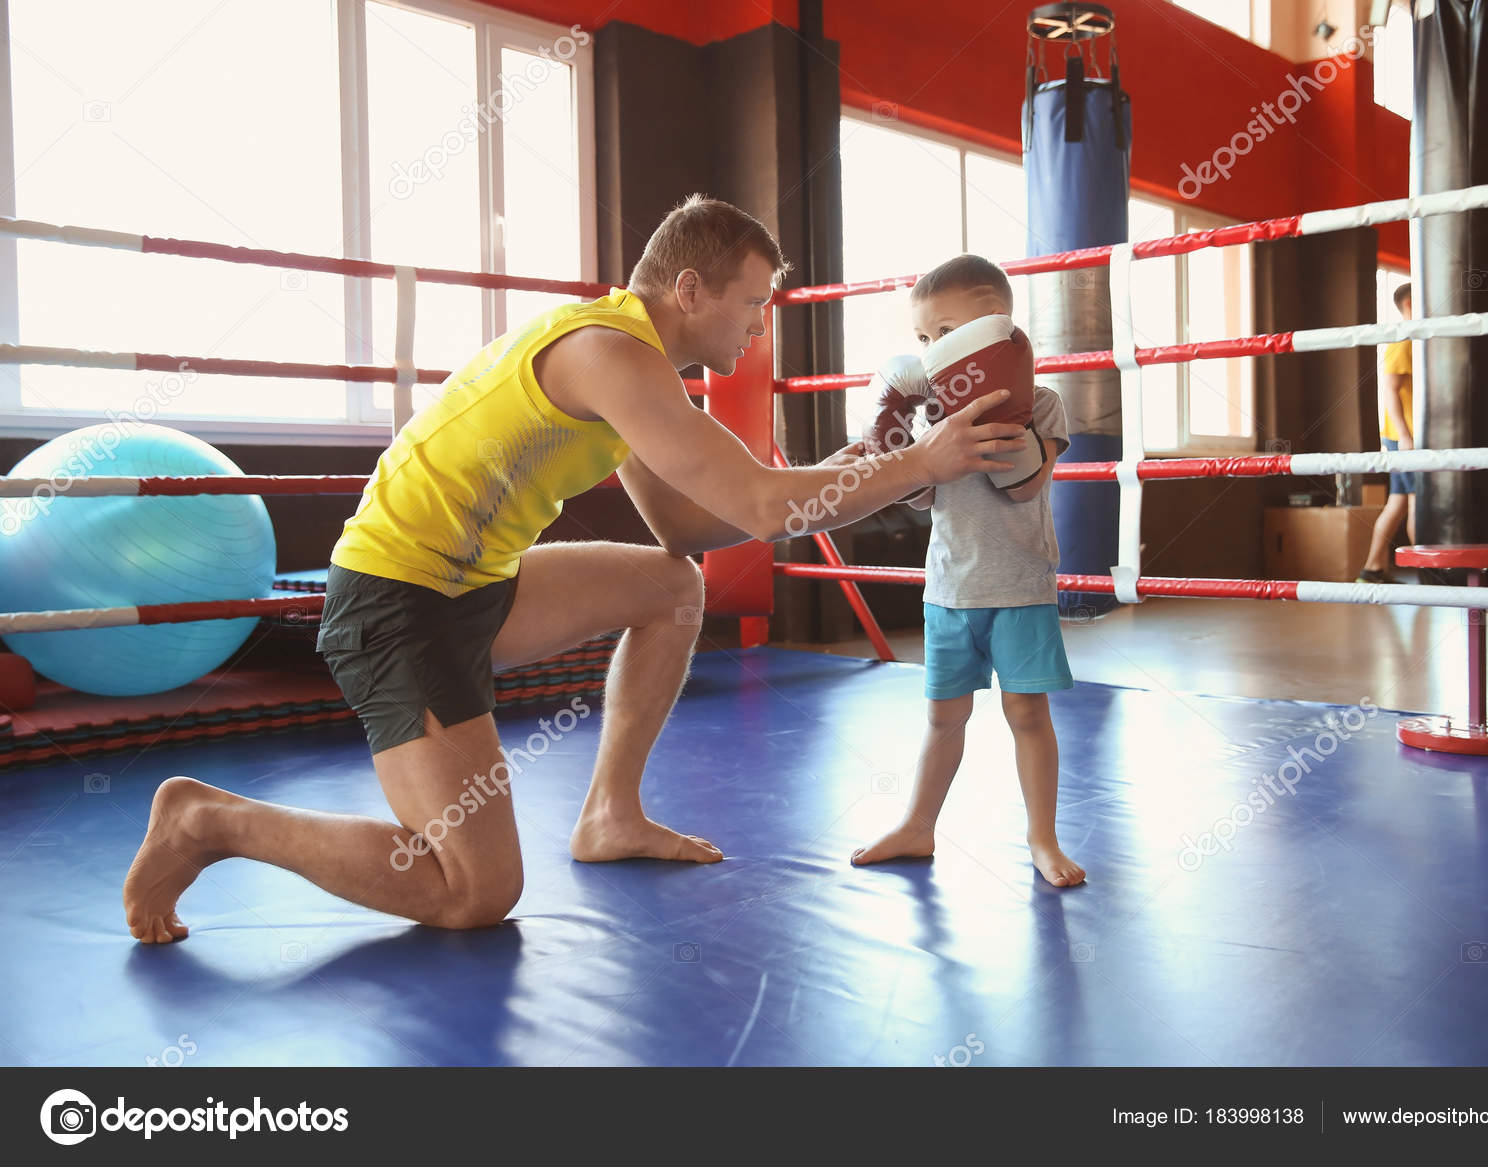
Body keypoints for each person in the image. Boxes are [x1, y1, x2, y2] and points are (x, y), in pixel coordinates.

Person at [122, 196, 1028, 942]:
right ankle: (210, 819)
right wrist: (915, 463)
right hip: (396, 603)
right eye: (752, 303)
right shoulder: (608, 353)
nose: (759, 325)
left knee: (672, 587)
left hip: (476, 587)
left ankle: (609, 813)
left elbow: (683, 527)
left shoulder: (633, 364)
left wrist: (847, 471)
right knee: (473, 892)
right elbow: (760, 507)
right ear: (689, 288)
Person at [850, 254, 1085, 888]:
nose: (931, 352)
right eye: (923, 338)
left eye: (945, 334)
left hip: (1018, 589)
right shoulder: (928, 416)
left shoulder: (1043, 403)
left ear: (994, 326)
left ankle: (1042, 837)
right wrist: (892, 440)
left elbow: (1024, 484)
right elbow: (918, 496)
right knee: (942, 719)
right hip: (949, 588)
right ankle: (916, 825)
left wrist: (995, 416)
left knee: (1027, 714)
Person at [1358, 282, 1416, 583]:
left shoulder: (1414, 338)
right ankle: (1430, 574)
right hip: (1404, 438)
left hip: (1404, 437)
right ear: (1410, 304)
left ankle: (1372, 568)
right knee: (1417, 501)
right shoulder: (1403, 340)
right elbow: (1390, 390)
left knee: (1399, 503)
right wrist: (1405, 436)